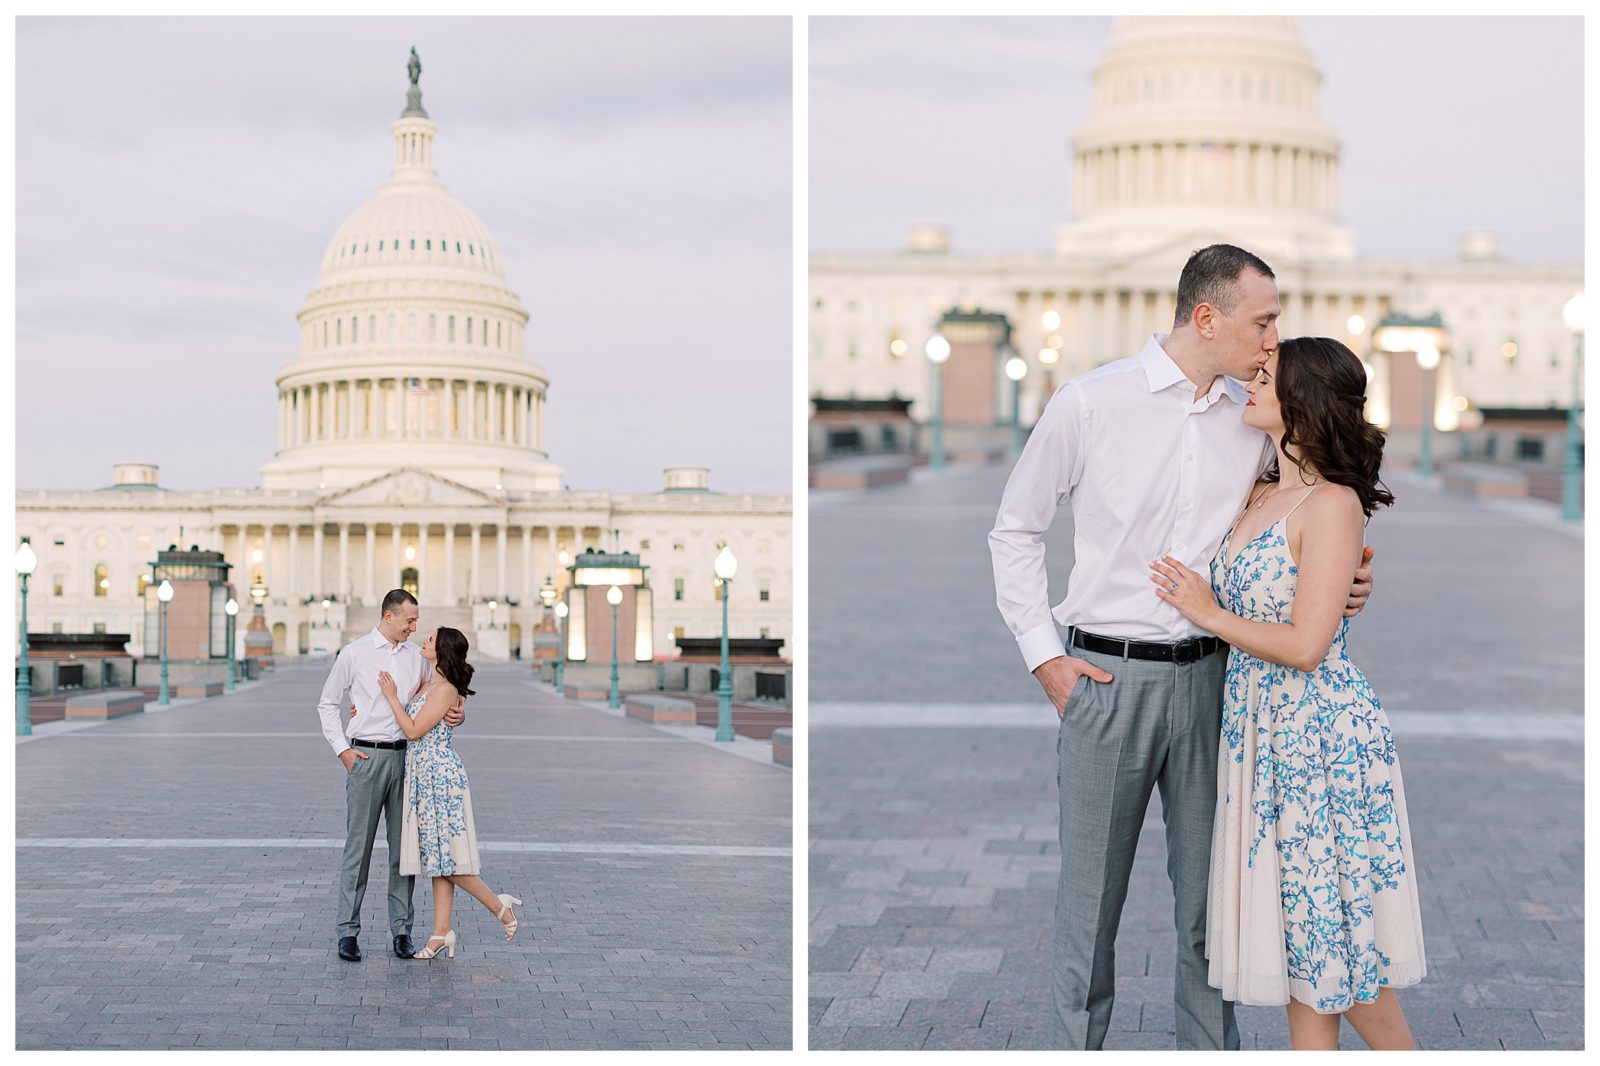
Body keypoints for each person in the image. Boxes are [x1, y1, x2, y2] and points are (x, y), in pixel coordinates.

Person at [988, 244, 1375, 1050]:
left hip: (1217, 685)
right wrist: (1043, 656)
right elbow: (1015, 529)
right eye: (1263, 321)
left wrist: (1347, 588)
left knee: (1210, 913)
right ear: (1208, 317)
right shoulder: (1089, 403)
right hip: (1106, 679)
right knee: (1088, 908)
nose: (1275, 340)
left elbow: (1311, 516)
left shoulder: (1255, 419)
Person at [1151, 337, 1424, 1050]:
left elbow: (1306, 647)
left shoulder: (1332, 503)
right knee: (1314, 956)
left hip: (1318, 739)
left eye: (1265, 379)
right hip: (1259, 731)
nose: (1249, 384)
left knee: (1335, 947)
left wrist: (1208, 611)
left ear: (1301, 402)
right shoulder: (1259, 490)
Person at [317, 588, 464, 962]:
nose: (414, 628)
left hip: (407, 761)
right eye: (409, 621)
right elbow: (328, 703)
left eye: (416, 621)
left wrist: (459, 714)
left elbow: (437, 697)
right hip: (366, 757)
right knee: (358, 850)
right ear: (389, 616)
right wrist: (343, 750)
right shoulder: (354, 654)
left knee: (404, 853)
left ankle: (402, 930)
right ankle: (347, 932)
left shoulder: (417, 657)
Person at [377, 626, 521, 960]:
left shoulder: (444, 689)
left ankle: (500, 906)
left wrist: (392, 697)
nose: (424, 641)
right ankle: (441, 933)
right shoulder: (429, 683)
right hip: (423, 775)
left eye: (430, 639)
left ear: (441, 649)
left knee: (447, 858)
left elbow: (412, 731)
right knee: (438, 859)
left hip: (439, 777)